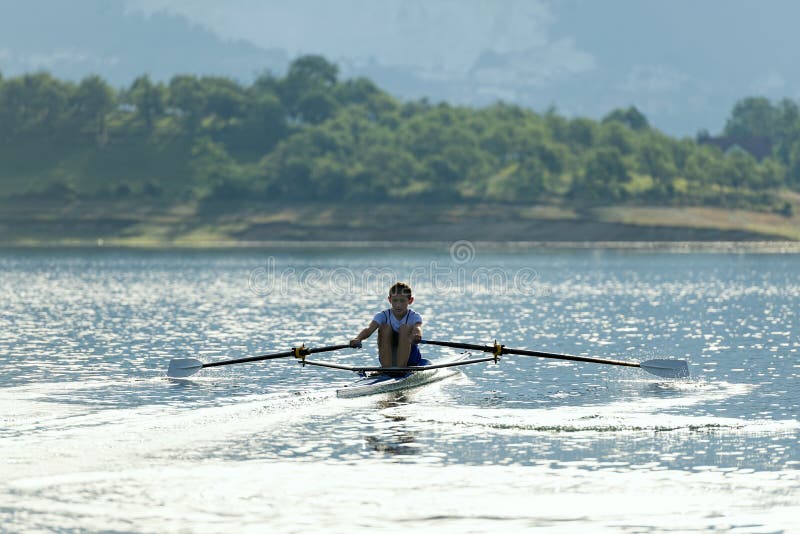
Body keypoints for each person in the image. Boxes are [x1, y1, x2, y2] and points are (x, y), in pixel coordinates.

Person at [350, 282, 425, 368]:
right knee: (384, 328)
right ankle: (386, 368)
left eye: (402, 301)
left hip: (411, 359)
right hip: (389, 358)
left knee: (404, 328)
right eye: (395, 301)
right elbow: (369, 329)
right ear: (389, 300)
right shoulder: (383, 315)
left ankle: (401, 368)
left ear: (410, 301)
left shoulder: (414, 316)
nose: (398, 305)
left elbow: (417, 328)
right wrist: (358, 338)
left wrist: (417, 335)